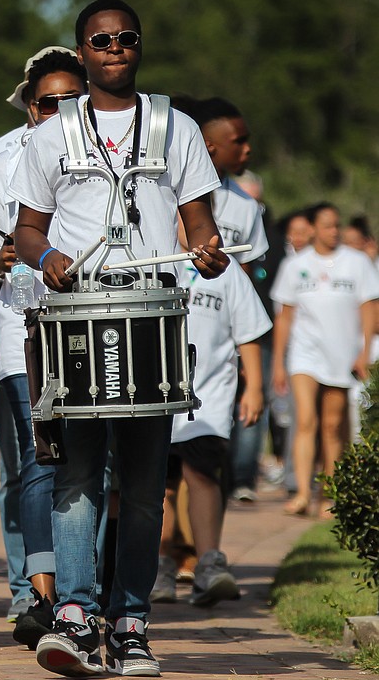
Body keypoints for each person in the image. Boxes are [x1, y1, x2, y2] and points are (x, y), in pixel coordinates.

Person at [11, 0, 228, 677]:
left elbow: (198, 221)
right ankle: (76, 617)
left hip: (152, 313)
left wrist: (208, 251)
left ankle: (131, 622)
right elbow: (27, 228)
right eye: (101, 41)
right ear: (81, 52)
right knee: (76, 475)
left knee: (140, 485)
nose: (114, 49)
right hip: (78, 315)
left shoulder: (175, 126)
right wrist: (46, 257)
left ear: (140, 46)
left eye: (125, 38)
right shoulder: (53, 132)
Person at [0, 46, 87, 649]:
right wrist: (6, 257)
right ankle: (41, 594)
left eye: (72, 100)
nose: (60, 111)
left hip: (95, 332)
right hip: (26, 335)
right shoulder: (0, 164)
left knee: (91, 466)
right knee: (39, 466)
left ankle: (83, 592)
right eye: (49, 103)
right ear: (29, 107)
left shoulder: (108, 155)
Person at [152, 247, 270, 607]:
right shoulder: (153, 256)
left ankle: (208, 564)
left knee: (202, 474)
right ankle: (159, 566)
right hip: (156, 394)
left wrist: (254, 387)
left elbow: (248, 329)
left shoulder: (226, 267)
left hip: (210, 394)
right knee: (161, 484)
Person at [176, 97, 270, 504]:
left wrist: (245, 353)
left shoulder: (245, 206)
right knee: (164, 471)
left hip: (218, 338)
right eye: (239, 141)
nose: (247, 149)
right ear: (210, 146)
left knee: (204, 461)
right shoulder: (169, 191)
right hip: (176, 329)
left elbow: (243, 277)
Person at [272, 203, 379, 517]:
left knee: (333, 425)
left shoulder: (357, 262)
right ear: (314, 229)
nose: (334, 231)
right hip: (304, 352)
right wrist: (278, 362)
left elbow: (368, 308)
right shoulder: (295, 265)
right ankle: (303, 493)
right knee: (306, 420)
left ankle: (329, 494)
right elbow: (285, 317)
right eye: (328, 225)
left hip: (342, 352)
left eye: (336, 225)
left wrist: (364, 351)